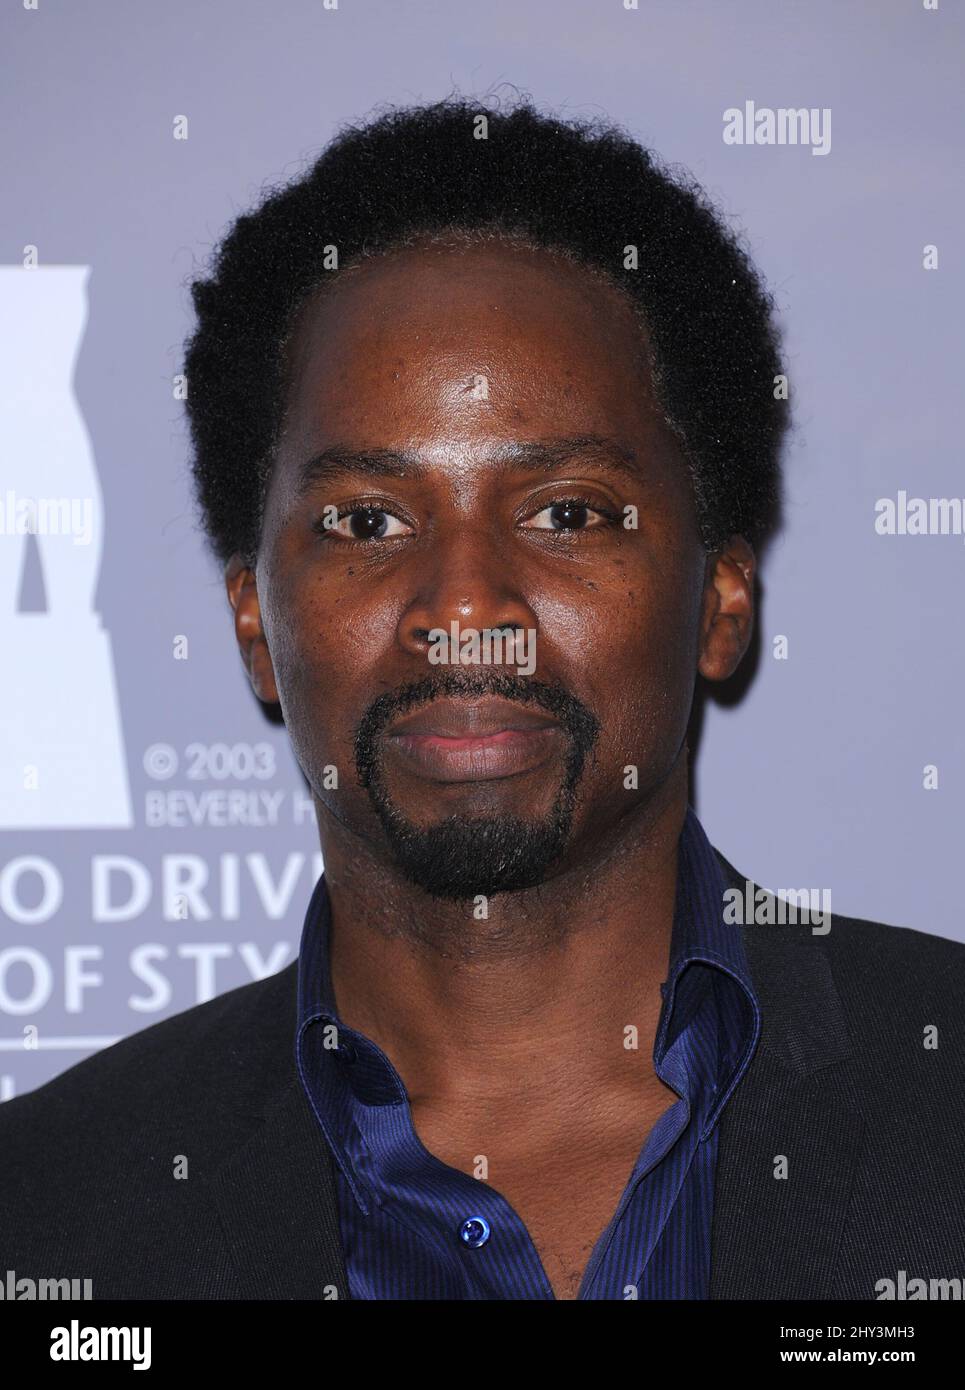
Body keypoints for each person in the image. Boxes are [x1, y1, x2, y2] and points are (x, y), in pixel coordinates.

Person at [2, 97, 963, 1302]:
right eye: (366, 522)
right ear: (254, 624)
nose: (463, 607)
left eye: (566, 511)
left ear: (720, 598)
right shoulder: (43, 1216)